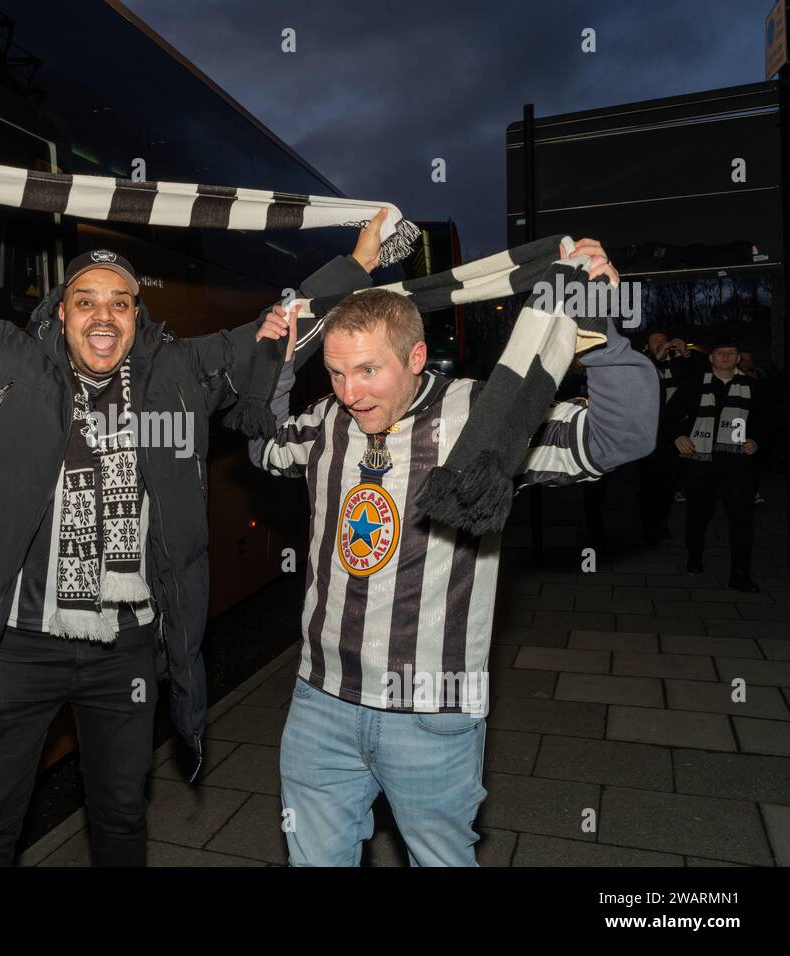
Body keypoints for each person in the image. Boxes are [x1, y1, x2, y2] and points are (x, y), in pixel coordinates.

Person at [0, 148, 383, 866]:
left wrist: (357, 263)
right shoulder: (0, 361)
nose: (104, 317)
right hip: (18, 648)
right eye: (87, 301)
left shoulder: (178, 375)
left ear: (137, 316)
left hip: (125, 652)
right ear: (61, 312)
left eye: (121, 303)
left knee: (120, 821)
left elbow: (282, 328)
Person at [250, 241, 657, 866]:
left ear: (415, 356)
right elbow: (265, 444)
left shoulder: (481, 416)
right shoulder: (328, 420)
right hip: (321, 702)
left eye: (367, 371)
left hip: (431, 708)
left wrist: (599, 330)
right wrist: (279, 358)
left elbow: (616, 436)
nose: (349, 391)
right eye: (334, 371)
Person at [665, 337, 764, 592]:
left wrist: (756, 439)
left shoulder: (754, 387)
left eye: (731, 353)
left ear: (739, 358)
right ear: (711, 358)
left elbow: (768, 420)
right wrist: (678, 436)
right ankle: (694, 555)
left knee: (742, 519)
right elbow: (668, 414)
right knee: (698, 514)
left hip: (738, 463)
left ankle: (740, 573)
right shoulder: (694, 384)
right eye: (720, 353)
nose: (725, 357)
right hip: (701, 461)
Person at [637, 329, 696, 544]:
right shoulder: (641, 362)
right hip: (649, 432)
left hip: (673, 432)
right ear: (647, 345)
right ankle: (647, 525)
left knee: (670, 482)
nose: (661, 343)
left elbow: (696, 380)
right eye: (655, 341)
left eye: (664, 340)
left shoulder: (680, 363)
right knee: (649, 482)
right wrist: (656, 360)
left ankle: (661, 523)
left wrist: (686, 355)